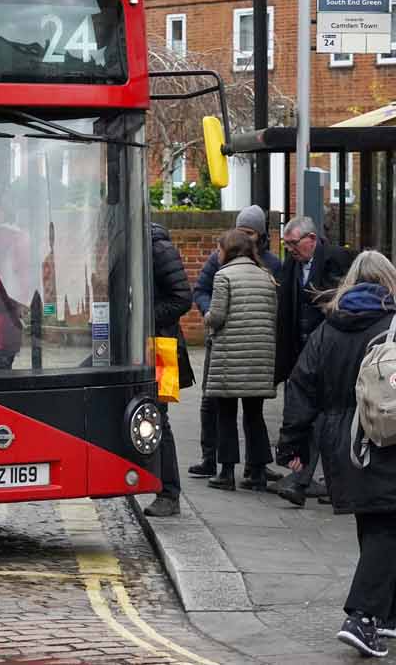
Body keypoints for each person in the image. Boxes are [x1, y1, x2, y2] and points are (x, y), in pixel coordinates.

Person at [277, 251, 396, 659]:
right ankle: (361, 617)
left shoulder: (328, 329)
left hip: (338, 443)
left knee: (375, 519)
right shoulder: (392, 324)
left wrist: (291, 443)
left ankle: (386, 613)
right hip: (383, 438)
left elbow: (300, 385)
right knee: (387, 526)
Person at [189, 205, 283, 480]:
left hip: (229, 353)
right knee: (252, 413)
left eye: (250, 232)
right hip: (258, 353)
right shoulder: (267, 274)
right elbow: (274, 312)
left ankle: (226, 470)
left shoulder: (225, 273)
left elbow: (216, 316)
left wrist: (209, 317)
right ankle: (255, 471)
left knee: (226, 411)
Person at [274, 215, 354, 506]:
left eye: (294, 244)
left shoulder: (336, 258)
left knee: (324, 418)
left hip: (332, 352)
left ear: (311, 239)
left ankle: (304, 481)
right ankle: (317, 482)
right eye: (287, 245)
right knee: (311, 415)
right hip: (303, 352)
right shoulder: (292, 265)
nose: (291, 249)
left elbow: (344, 296)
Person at [144, 222, 195, 517]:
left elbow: (182, 298)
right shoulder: (139, 244)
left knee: (160, 419)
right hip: (146, 344)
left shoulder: (159, 248)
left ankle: (169, 493)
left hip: (164, 347)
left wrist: (143, 316)